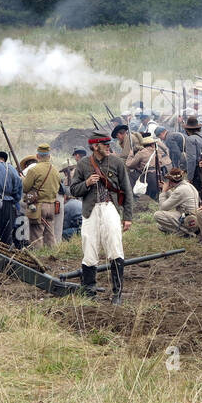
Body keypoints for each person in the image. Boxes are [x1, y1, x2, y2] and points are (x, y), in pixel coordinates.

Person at [69, 129, 134, 303]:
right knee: (89, 249)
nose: (108, 147)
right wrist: (87, 183)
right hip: (90, 211)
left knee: (114, 248)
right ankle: (90, 292)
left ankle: (117, 294)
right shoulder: (83, 164)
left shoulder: (116, 162)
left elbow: (127, 190)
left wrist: (127, 217)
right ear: (95, 146)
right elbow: (73, 190)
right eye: (105, 145)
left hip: (109, 208)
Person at [21, 144, 59, 249]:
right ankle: (52, 257)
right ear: (49, 156)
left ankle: (38, 261)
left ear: (37, 156)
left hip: (38, 207)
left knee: (36, 236)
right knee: (50, 235)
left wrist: (23, 179)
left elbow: (25, 188)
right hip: (52, 206)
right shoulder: (55, 170)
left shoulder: (34, 170)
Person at [153, 166, 199, 236]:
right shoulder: (188, 186)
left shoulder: (180, 190)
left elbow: (163, 207)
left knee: (157, 215)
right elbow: (176, 198)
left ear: (171, 181)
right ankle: (181, 231)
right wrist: (167, 190)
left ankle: (188, 233)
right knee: (161, 226)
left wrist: (163, 192)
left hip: (188, 220)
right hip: (193, 217)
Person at [182, 115, 202, 202]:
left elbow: (191, 159)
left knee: (199, 195)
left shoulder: (190, 139)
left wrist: (190, 177)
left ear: (187, 130)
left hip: (200, 171)